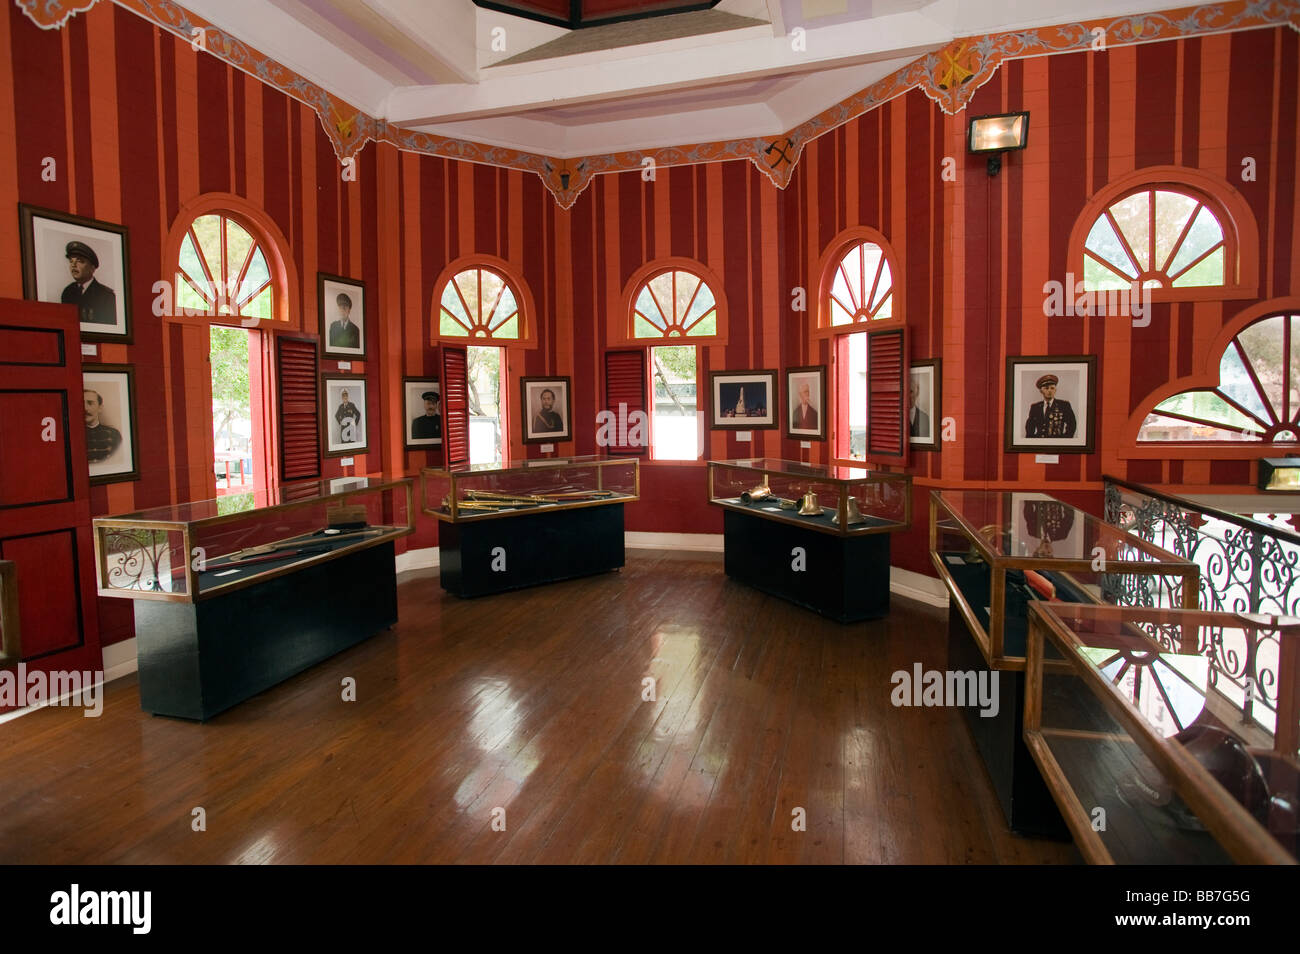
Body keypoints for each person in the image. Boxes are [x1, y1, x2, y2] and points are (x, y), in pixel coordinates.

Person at [61, 241, 116, 326]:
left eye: (80, 261)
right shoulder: (67, 292)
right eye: (71, 261)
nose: (73, 265)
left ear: (92, 268)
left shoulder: (106, 296)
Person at [1024, 373, 1076, 438]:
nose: (1049, 391)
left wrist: (1064, 441)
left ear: (1055, 390)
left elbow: (1072, 425)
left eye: (1052, 388)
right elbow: (1030, 427)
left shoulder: (1064, 405)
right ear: (1041, 391)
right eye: (1046, 388)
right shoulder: (1035, 407)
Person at [84, 389, 122, 463]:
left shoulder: (114, 434)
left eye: (90, 403)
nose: (85, 408)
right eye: (81, 403)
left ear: (100, 408)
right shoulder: (72, 435)